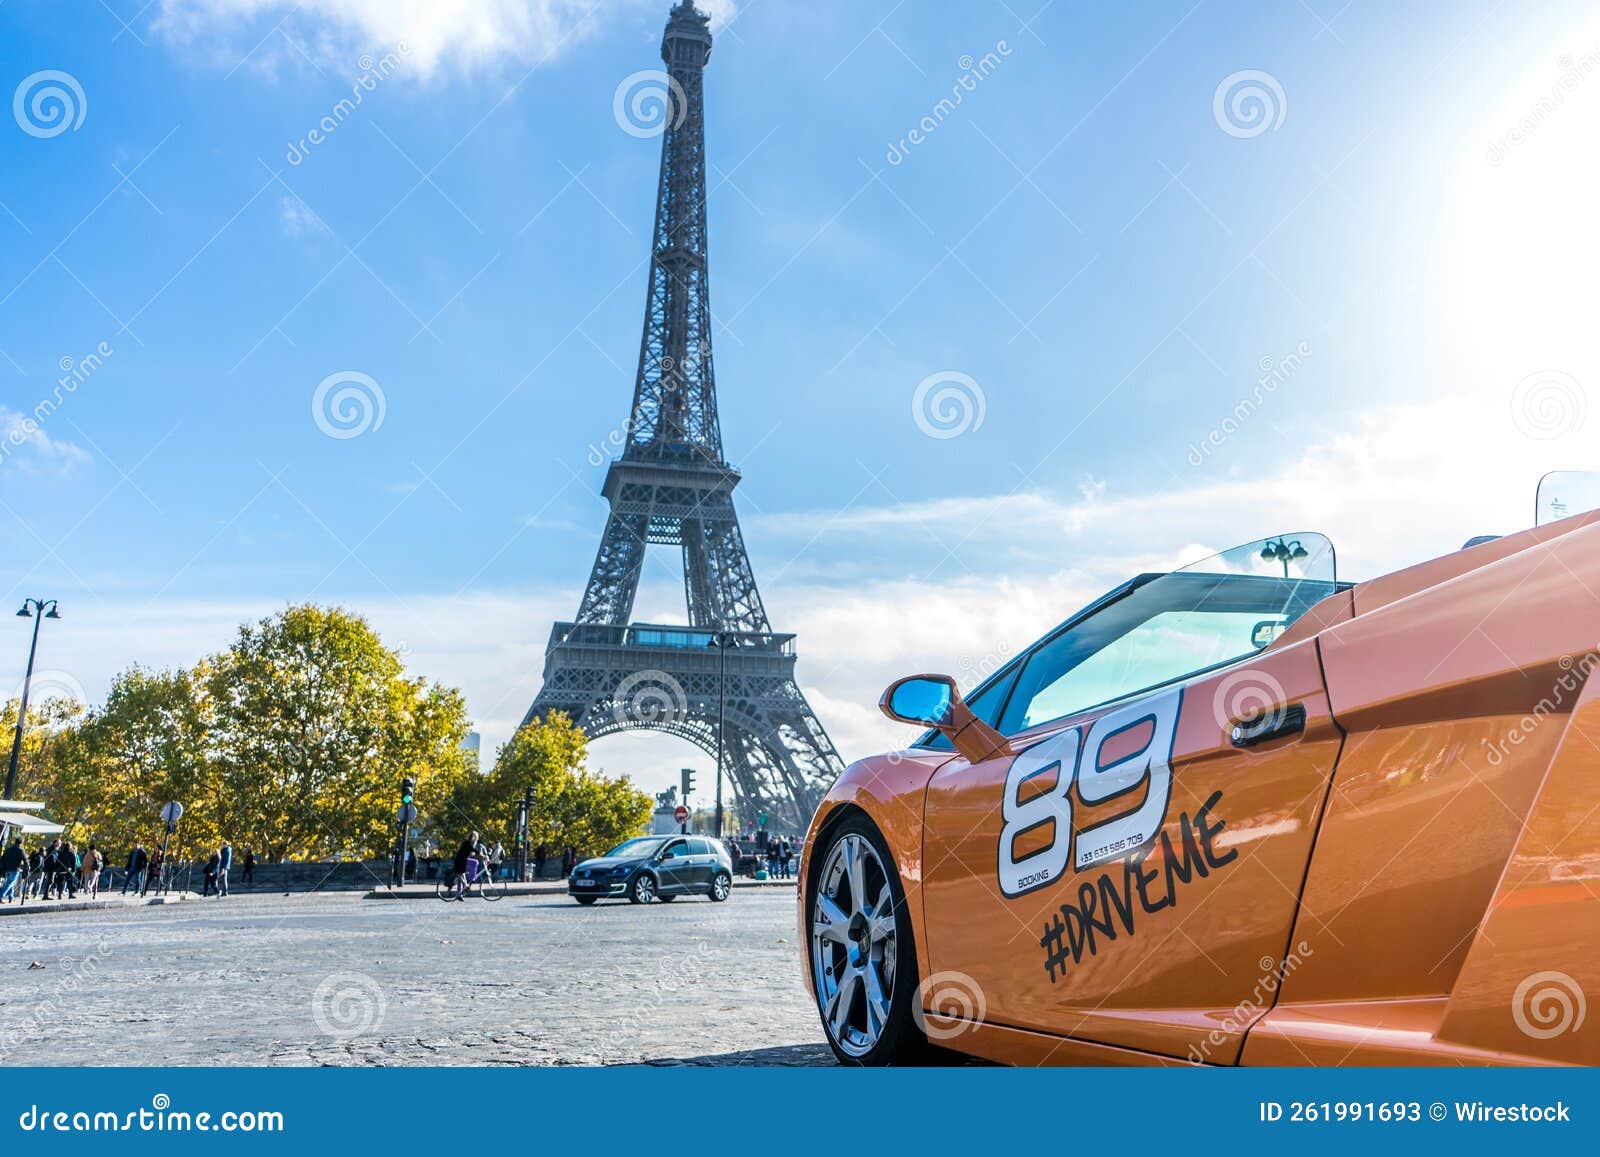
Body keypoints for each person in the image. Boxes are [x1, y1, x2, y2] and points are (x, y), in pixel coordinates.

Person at [1, 837, 27, 903]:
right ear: (21, 843)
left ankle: (11, 897)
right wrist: (27, 866)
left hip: (7, 869)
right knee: (10, 883)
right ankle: (0, 895)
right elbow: (25, 859)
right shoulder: (20, 850)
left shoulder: (8, 849)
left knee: (10, 883)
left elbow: (3, 858)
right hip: (15, 869)